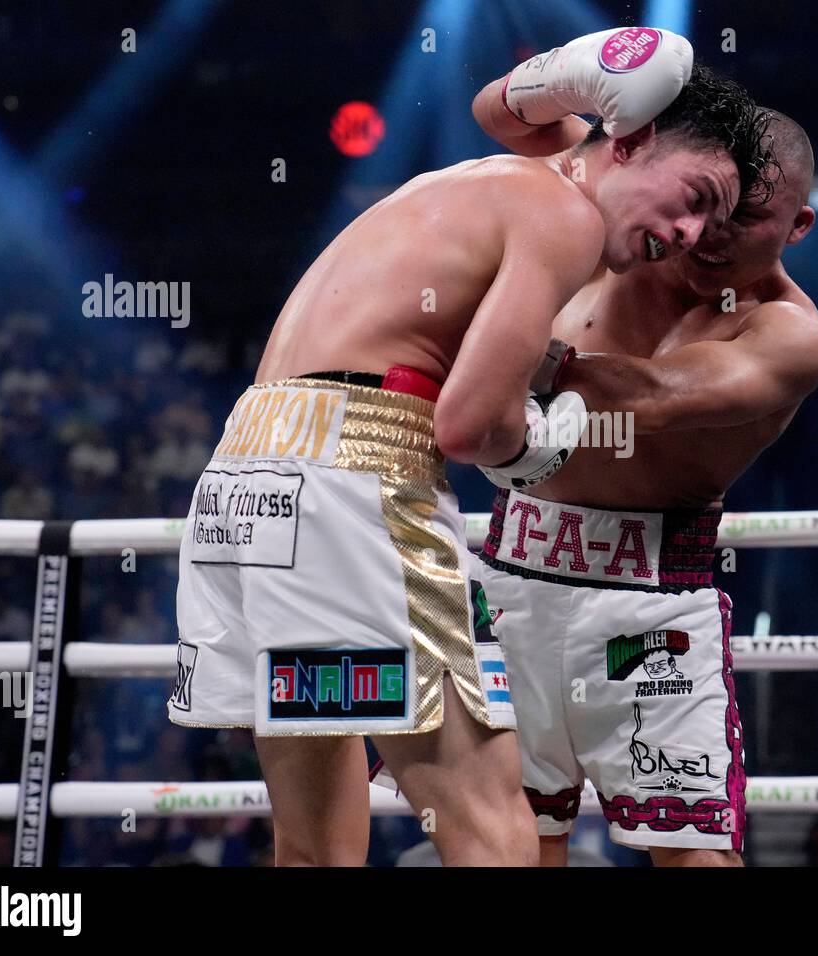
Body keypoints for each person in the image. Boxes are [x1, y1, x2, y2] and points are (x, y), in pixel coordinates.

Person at [166, 27, 773, 866]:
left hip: (253, 491)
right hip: (356, 489)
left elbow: (503, 107)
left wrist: (578, 77)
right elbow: (470, 425)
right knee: (491, 822)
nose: (693, 230)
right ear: (630, 141)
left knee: (316, 843)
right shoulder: (561, 215)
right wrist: (538, 448)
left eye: (713, 219)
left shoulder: (489, 186)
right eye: (697, 194)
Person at [470, 72, 818, 865]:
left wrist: (492, 341)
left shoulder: (791, 336)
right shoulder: (636, 212)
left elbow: (652, 395)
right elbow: (503, 117)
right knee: (511, 841)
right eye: (703, 204)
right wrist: (580, 67)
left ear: (799, 225)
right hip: (510, 578)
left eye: (743, 218)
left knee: (693, 854)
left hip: (652, 609)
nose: (707, 234)